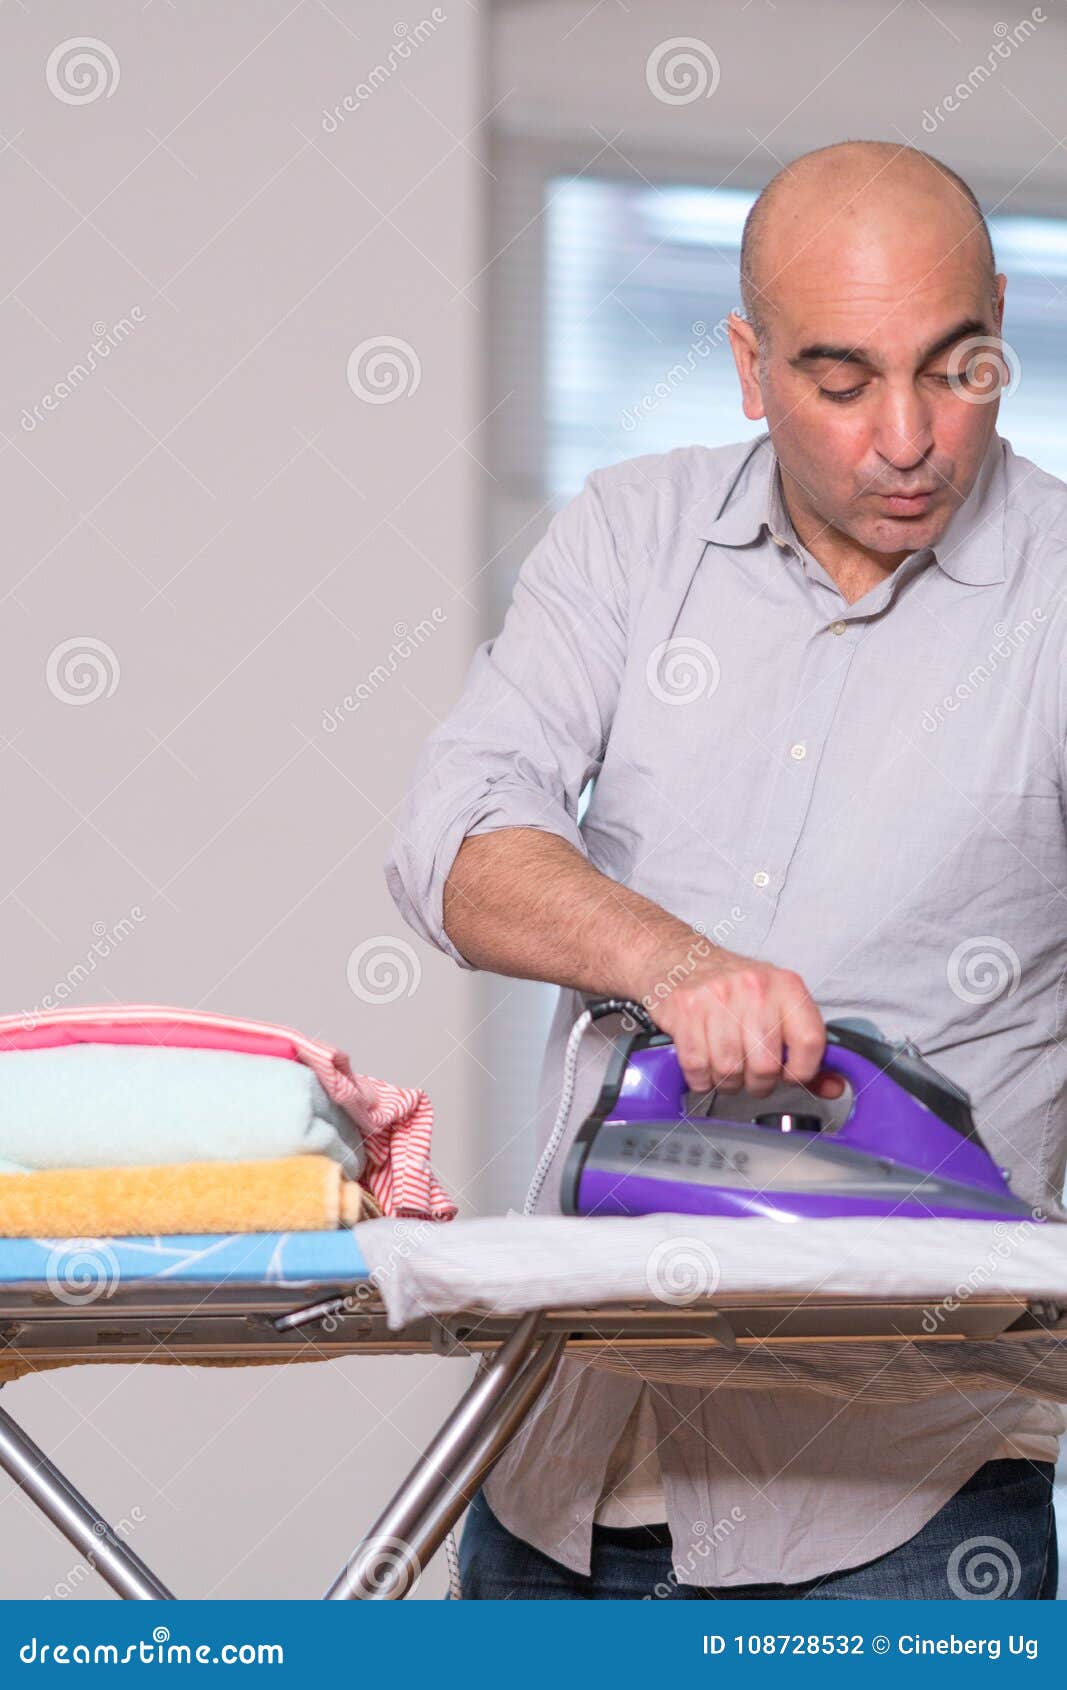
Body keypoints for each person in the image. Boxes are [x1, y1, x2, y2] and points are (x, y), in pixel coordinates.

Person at [384, 139, 1065, 1599]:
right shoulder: (634, 537)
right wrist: (676, 968)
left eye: (956, 367)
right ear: (753, 367)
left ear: (1001, 321)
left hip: (901, 1501)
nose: (909, 438)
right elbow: (455, 839)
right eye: (841, 380)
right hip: (561, 1468)